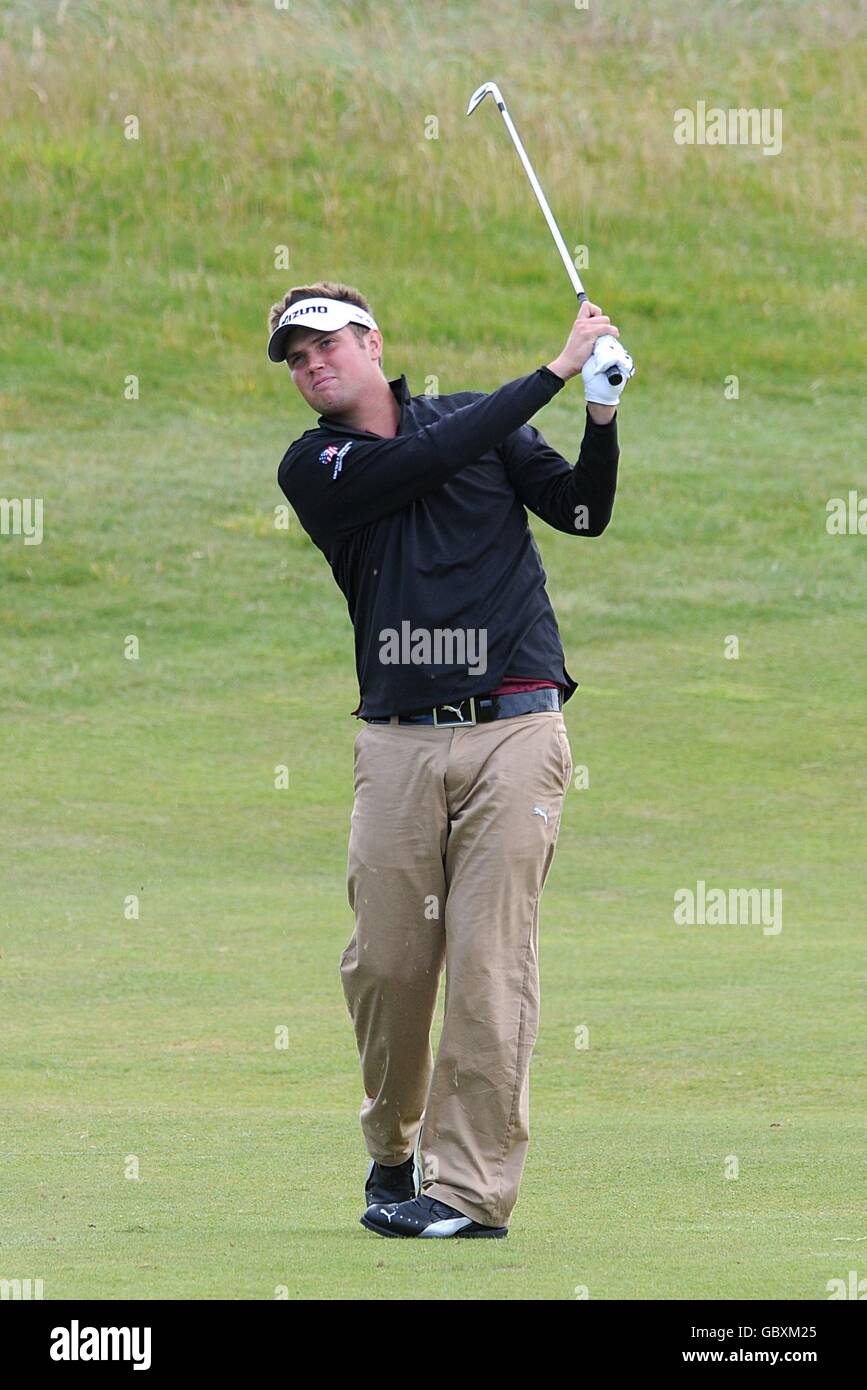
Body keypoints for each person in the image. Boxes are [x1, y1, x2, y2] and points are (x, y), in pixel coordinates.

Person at [269, 280, 629, 1238]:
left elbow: (582, 515)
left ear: (372, 341)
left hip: (516, 724)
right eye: (296, 359)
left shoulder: (479, 419)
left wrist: (598, 412)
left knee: (488, 965)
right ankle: (394, 1146)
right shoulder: (317, 467)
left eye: (326, 345)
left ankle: (468, 1194)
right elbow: (426, 462)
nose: (312, 365)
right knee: (386, 966)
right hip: (396, 740)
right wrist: (553, 369)